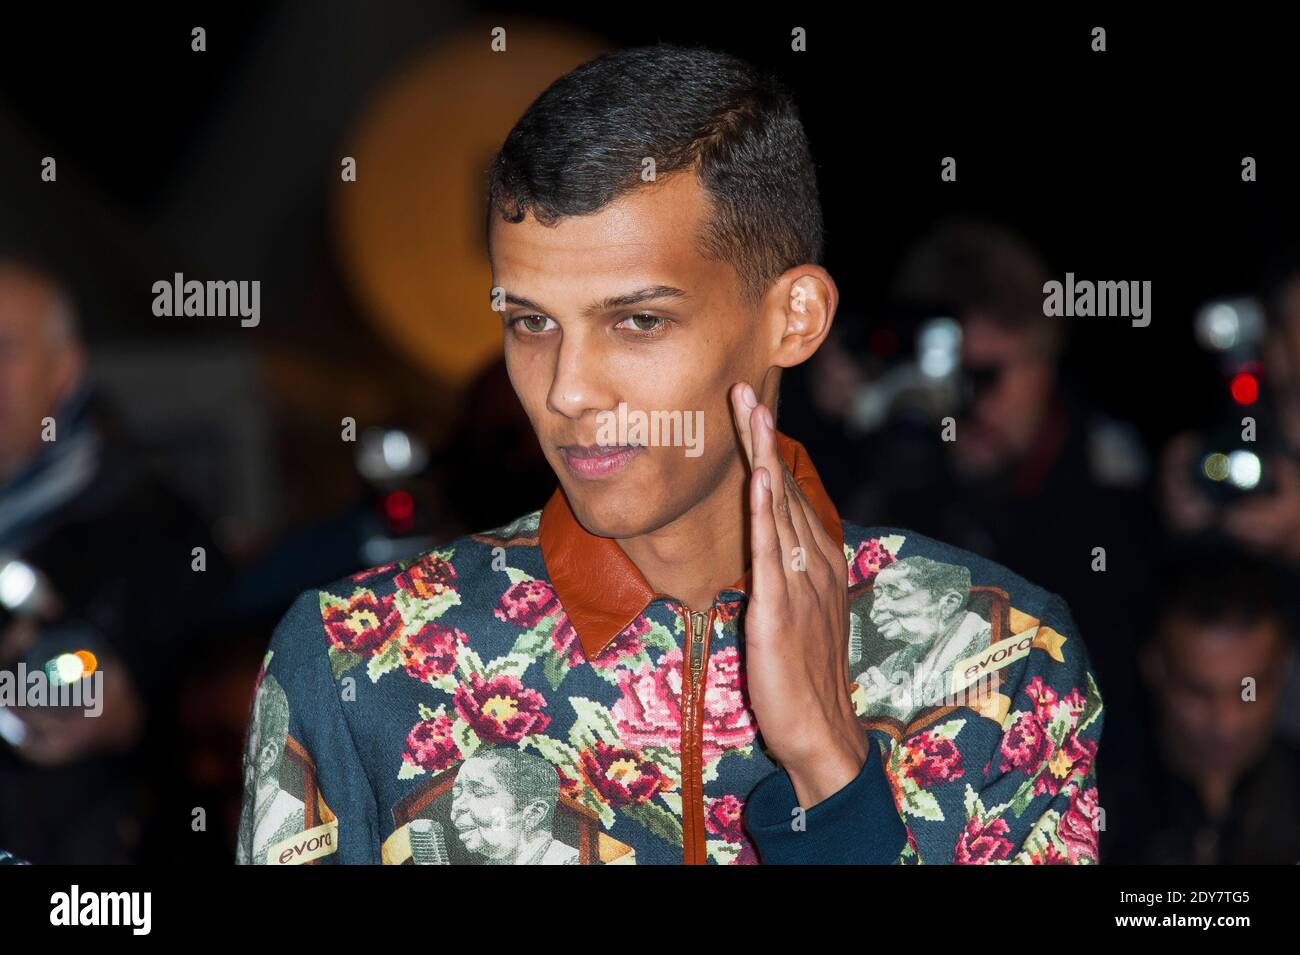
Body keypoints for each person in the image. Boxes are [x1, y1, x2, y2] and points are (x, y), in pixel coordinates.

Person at [238, 43, 1104, 865]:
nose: (568, 390)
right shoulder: (354, 661)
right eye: (531, 321)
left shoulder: (1003, 656)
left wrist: (835, 777)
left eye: (638, 320)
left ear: (793, 318)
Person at [0, 258, 228, 863]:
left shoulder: (156, 529)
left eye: (5, 350)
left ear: (65, 372)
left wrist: (128, 716)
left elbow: (211, 707)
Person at [1103, 553, 1300, 864]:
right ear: (1154, 668)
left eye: (1249, 690)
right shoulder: (1083, 801)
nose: (1226, 725)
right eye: (1198, 692)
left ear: (1284, 670)